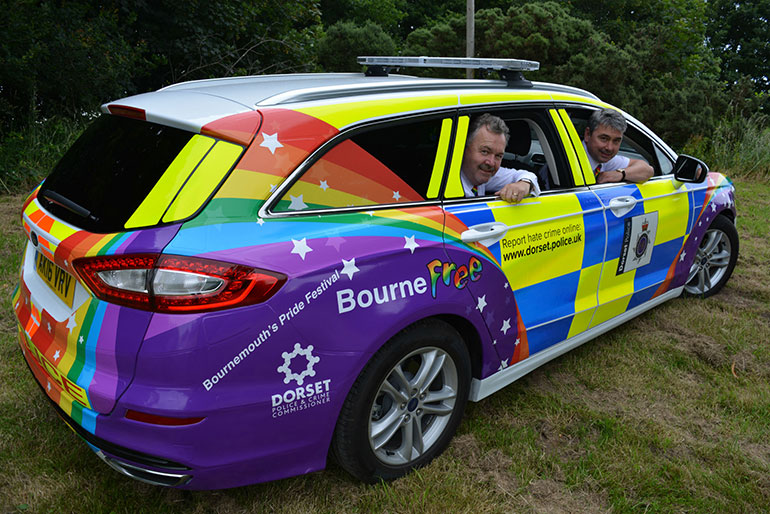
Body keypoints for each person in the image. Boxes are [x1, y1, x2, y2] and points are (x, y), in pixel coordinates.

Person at [460, 113, 541, 203]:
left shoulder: (478, 175)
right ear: (464, 148)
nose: (491, 163)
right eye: (484, 151)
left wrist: (524, 184)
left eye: (498, 156)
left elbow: (524, 175)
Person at [583, 108, 654, 184]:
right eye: (604, 138)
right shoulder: (571, 160)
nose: (609, 148)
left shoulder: (604, 161)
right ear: (588, 134)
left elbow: (648, 170)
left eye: (616, 141)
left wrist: (620, 174)